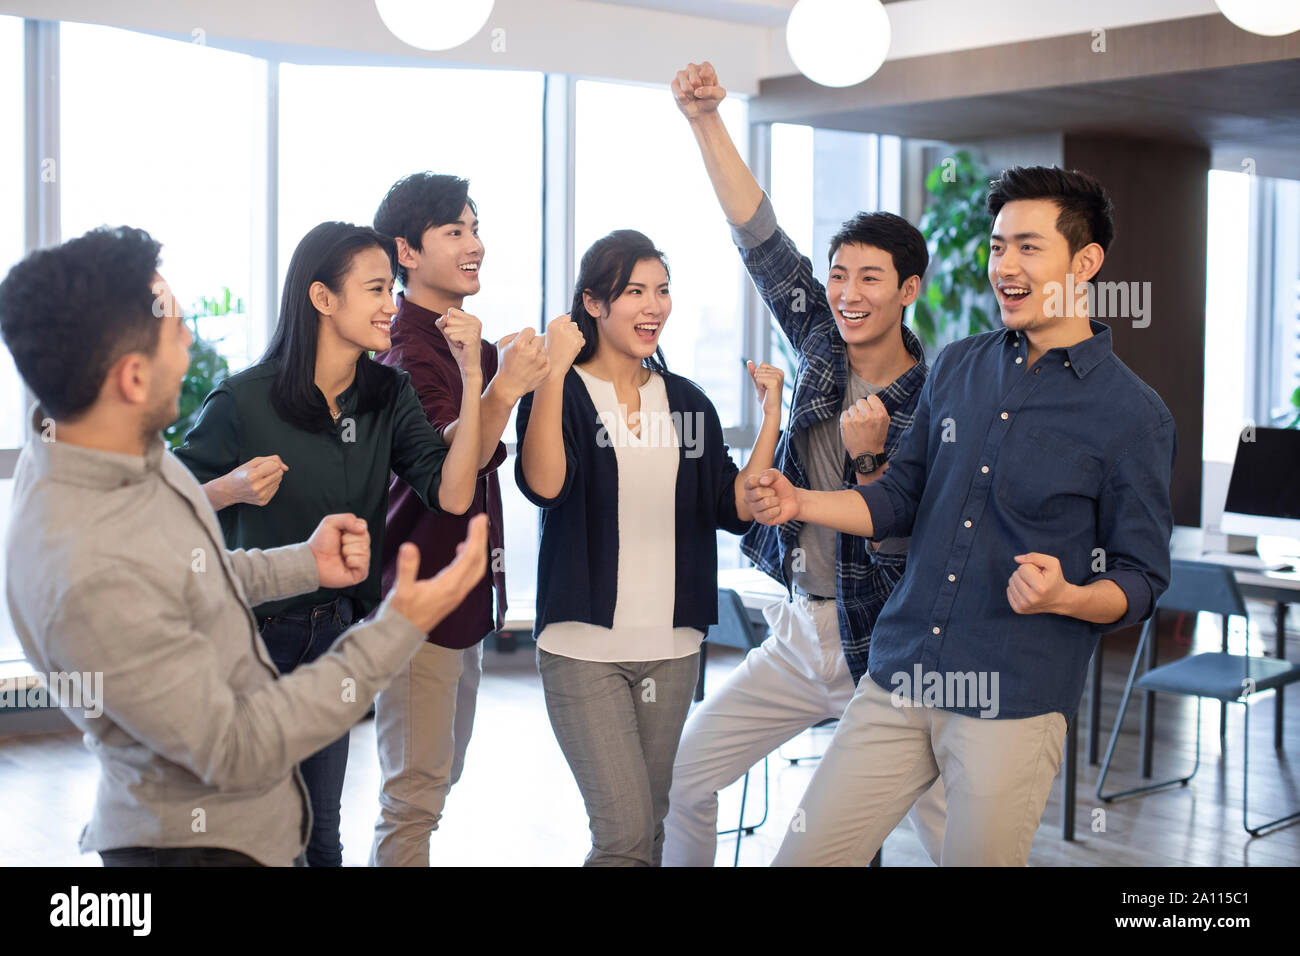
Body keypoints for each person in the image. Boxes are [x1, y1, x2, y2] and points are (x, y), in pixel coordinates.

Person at [0, 225, 488, 868]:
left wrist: (300, 562)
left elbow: (182, 572)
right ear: (133, 375)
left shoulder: (109, 446)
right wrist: (398, 628)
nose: (191, 343)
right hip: (191, 852)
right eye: (174, 329)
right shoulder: (83, 567)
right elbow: (237, 747)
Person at [746, 165, 1176, 866]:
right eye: (997, 246)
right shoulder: (956, 367)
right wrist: (801, 502)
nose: (1004, 265)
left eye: (1028, 247)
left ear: (1086, 262)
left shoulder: (1133, 416)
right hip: (900, 673)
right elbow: (897, 498)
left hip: (1012, 700)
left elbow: (1141, 581)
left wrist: (1068, 594)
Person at [662, 60, 946, 866]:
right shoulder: (820, 339)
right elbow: (759, 236)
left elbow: (913, 540)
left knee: (895, 837)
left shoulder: (937, 399)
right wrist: (706, 120)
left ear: (909, 290)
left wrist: (870, 459)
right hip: (795, 628)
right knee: (684, 775)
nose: (849, 293)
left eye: (870, 278)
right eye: (839, 275)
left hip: (884, 647)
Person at [173, 220, 483, 866]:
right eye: (375, 290)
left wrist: (473, 378)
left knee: (320, 835)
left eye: (391, 291)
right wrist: (229, 487)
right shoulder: (242, 400)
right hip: (248, 642)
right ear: (322, 298)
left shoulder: (387, 394)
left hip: (335, 636)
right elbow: (162, 510)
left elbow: (452, 493)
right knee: (250, 835)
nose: (390, 307)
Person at [515, 229, 784, 866]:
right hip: (584, 651)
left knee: (650, 828)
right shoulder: (563, 395)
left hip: (672, 650)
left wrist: (772, 418)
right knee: (624, 835)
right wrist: (551, 372)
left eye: (662, 290)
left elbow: (733, 503)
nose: (653, 306)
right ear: (594, 304)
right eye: (634, 291)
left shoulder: (686, 401)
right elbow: (545, 485)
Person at [368, 173, 551, 866]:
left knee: (434, 784)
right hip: (417, 599)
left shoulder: (464, 341)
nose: (475, 244)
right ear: (405, 252)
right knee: (413, 799)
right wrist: (503, 385)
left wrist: (497, 378)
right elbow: (452, 468)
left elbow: (476, 460)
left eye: (475, 228)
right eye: (455, 231)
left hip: (461, 596)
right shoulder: (405, 350)